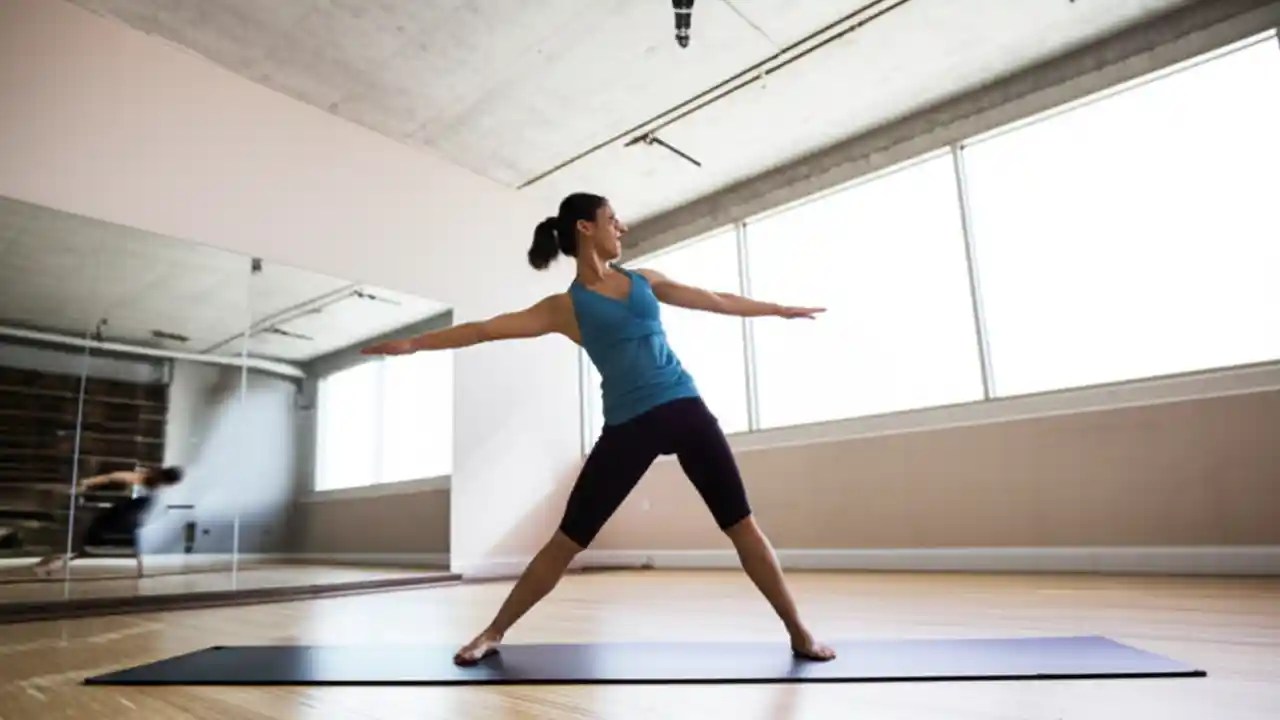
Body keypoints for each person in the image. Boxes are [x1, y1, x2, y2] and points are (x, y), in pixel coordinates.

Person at [361, 192, 835, 665]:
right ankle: (492, 632)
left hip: (684, 407)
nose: (621, 227)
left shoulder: (644, 280)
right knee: (568, 539)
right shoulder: (565, 307)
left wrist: (777, 309)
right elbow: (485, 329)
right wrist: (415, 343)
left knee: (741, 525)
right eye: (612, 219)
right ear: (585, 227)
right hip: (628, 425)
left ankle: (800, 633)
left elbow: (713, 299)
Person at [31, 465, 183, 577]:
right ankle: (51, 564)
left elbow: (113, 477)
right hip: (120, 522)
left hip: (117, 521)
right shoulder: (153, 487)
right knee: (83, 544)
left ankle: (50, 564)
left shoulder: (150, 485)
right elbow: (114, 477)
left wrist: (89, 482)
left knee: (82, 543)